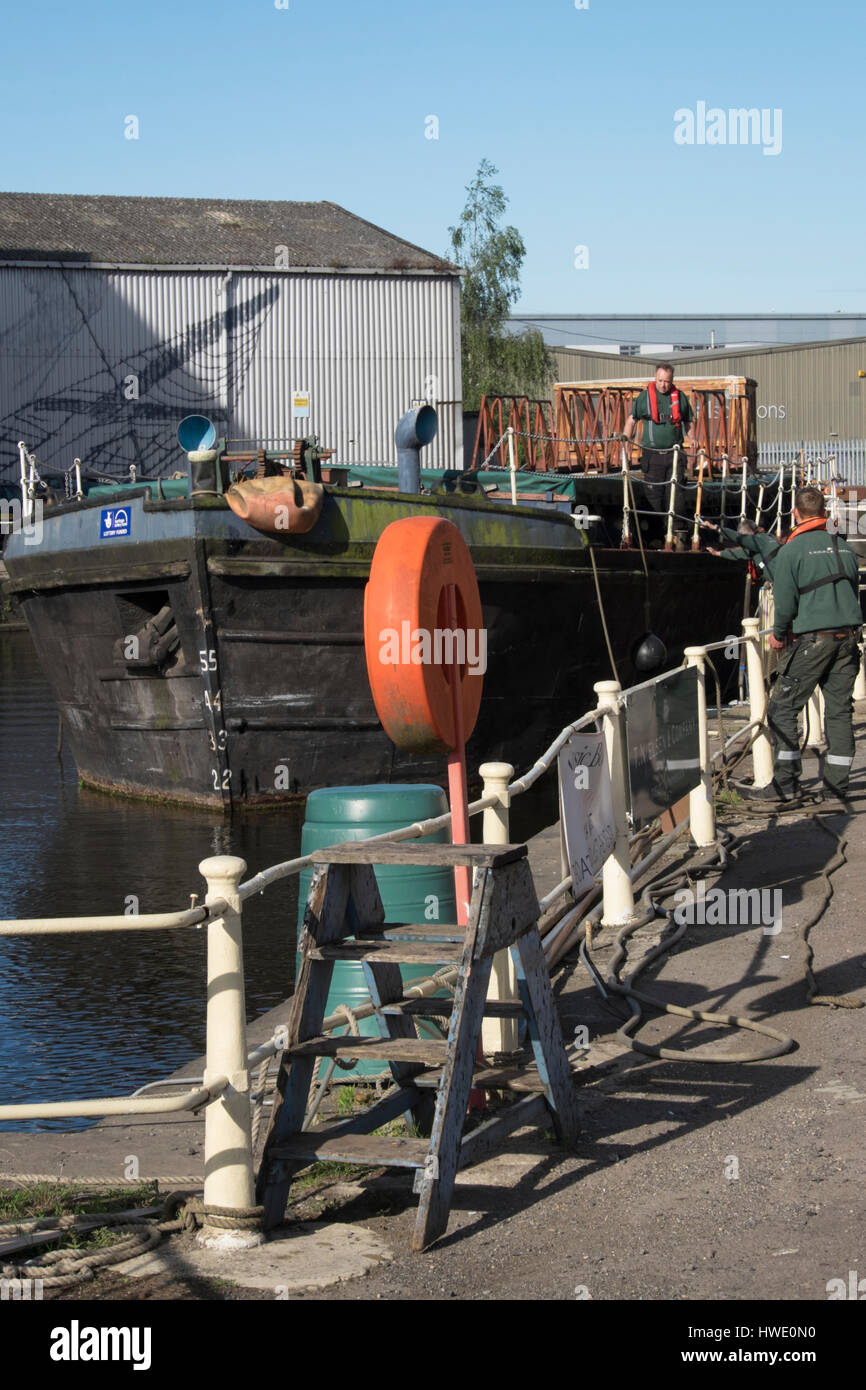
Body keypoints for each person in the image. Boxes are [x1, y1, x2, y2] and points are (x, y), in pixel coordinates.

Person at [739, 486, 861, 805]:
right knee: (839, 711)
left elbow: (785, 600)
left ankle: (785, 782)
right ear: (824, 514)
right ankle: (836, 788)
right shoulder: (843, 547)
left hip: (814, 640)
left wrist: (779, 633)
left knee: (782, 707)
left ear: (795, 514)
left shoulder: (791, 550)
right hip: (848, 639)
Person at [623, 364, 694, 542]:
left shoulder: (680, 398)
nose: (663, 385)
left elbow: (689, 421)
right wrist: (625, 441)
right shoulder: (644, 398)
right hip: (652, 456)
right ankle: (654, 537)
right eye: (660, 381)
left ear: (672, 381)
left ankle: (677, 536)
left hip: (675, 455)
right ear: (655, 378)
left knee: (675, 495)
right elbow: (631, 421)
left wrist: (693, 438)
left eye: (667, 382)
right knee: (653, 496)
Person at [702, 517, 782, 581]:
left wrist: (714, 527)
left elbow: (737, 537)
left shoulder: (757, 540)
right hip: (780, 579)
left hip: (783, 581)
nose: (743, 545)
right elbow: (738, 553)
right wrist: (717, 553)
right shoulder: (763, 540)